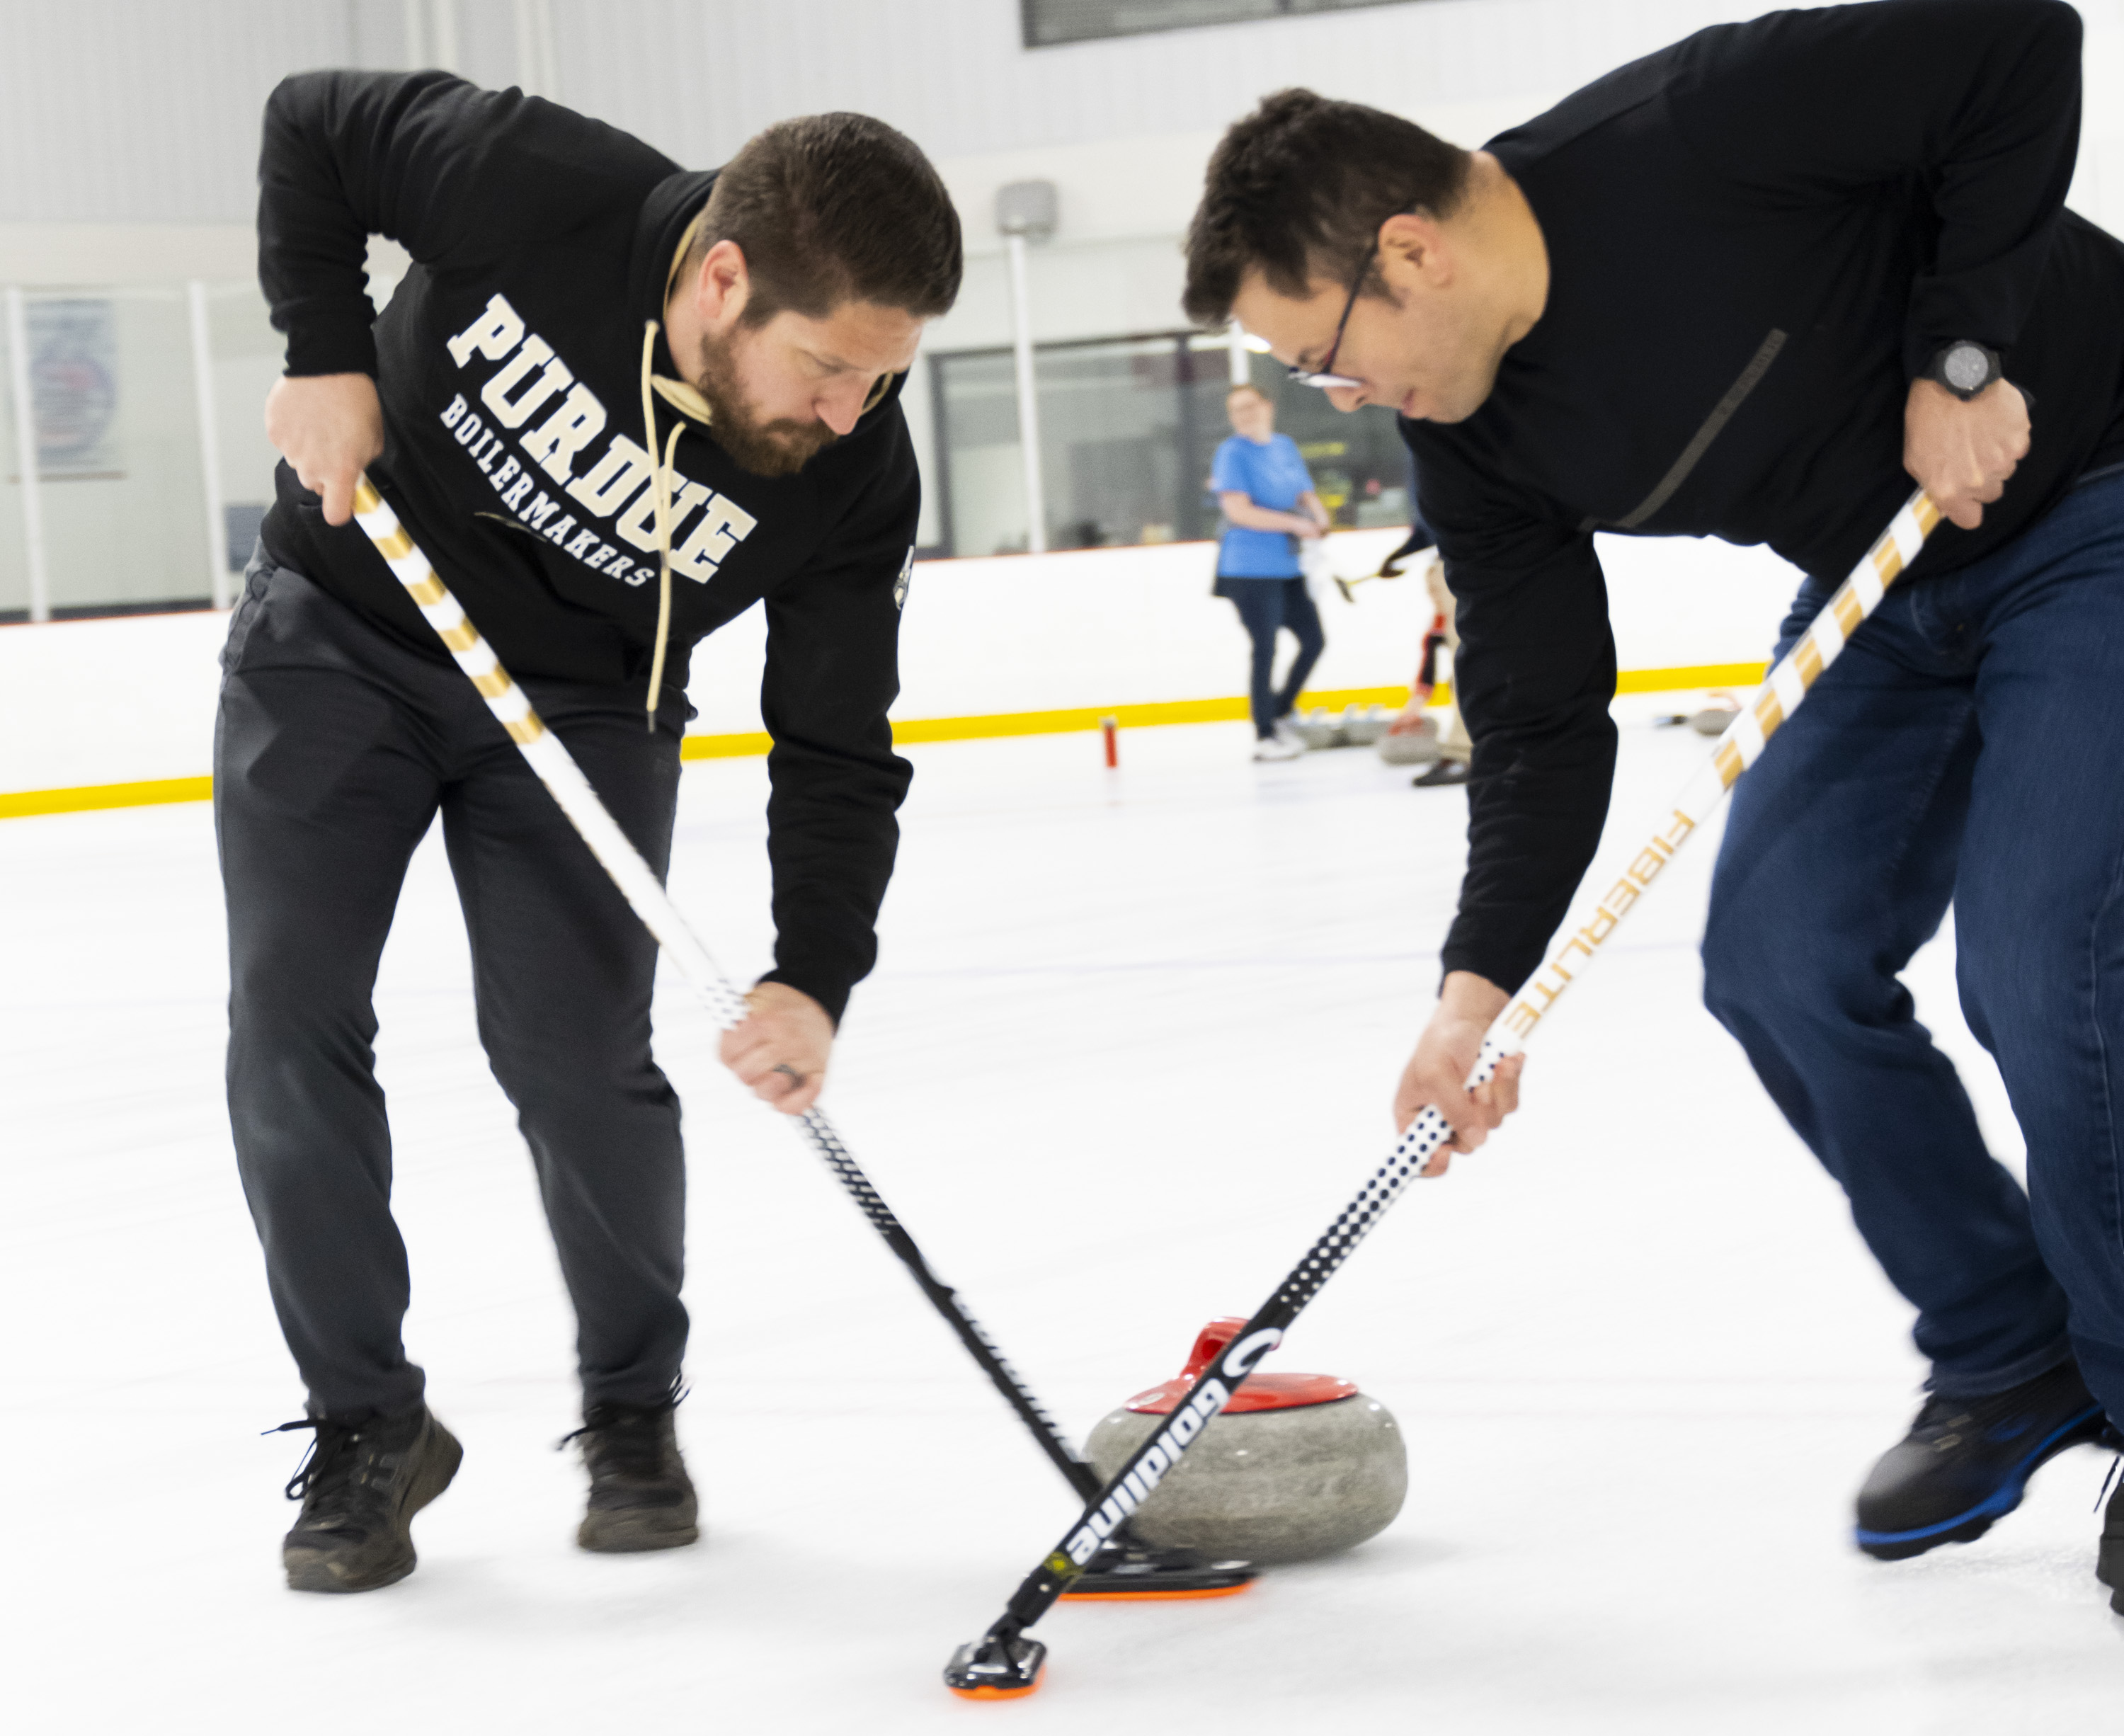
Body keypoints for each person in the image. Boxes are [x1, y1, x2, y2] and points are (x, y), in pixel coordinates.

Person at [1181, 0, 2124, 1604]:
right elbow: (1541, 724)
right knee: (1771, 962)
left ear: (1408, 253)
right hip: (1877, 594)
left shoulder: (1700, 129)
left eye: (1323, 355)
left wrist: (1956, 355)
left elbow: (2015, 41)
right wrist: (1470, 996)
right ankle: (2006, 1348)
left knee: (2041, 977)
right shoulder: (1470, 440)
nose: (1343, 394)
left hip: (2089, 496)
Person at [227, 72, 960, 1592]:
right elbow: (311, 123)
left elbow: (840, 744)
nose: (847, 412)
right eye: (828, 367)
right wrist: (323, 356)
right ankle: (369, 1423)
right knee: (290, 1025)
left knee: (576, 1056)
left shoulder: (854, 471)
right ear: (722, 278)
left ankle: (633, 1410)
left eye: (879, 380)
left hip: (586, 704)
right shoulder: (531, 183)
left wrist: (814, 972)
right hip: (344, 629)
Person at [1209, 382, 1330, 761]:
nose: (1244, 415)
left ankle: (1278, 713)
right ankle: (1264, 734)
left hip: (1288, 566)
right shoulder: (1232, 454)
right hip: (1248, 568)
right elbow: (1239, 511)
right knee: (1265, 648)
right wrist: (1295, 526)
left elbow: (1303, 492)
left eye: (1250, 406)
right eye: (1236, 410)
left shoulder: (1284, 447)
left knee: (1313, 640)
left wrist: (1318, 516)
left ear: (1267, 406)